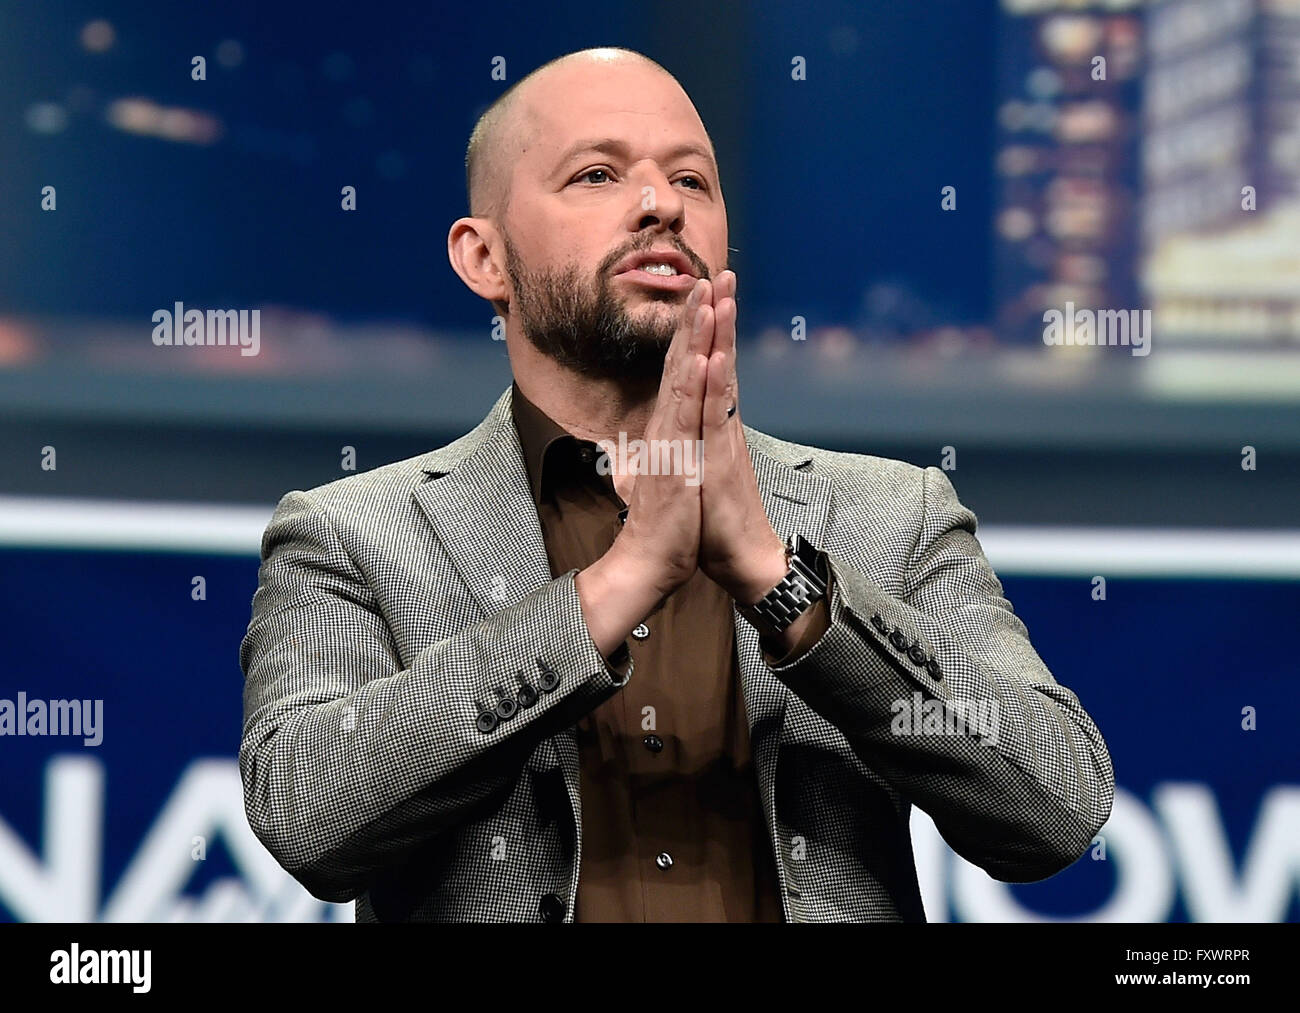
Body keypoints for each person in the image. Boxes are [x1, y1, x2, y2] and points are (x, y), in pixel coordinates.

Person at [238, 47, 1114, 923]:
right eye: (596, 174)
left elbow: (1056, 806)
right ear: (484, 259)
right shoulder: (351, 533)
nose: (660, 204)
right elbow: (308, 817)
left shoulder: (892, 514)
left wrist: (784, 585)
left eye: (693, 180)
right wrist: (617, 584)